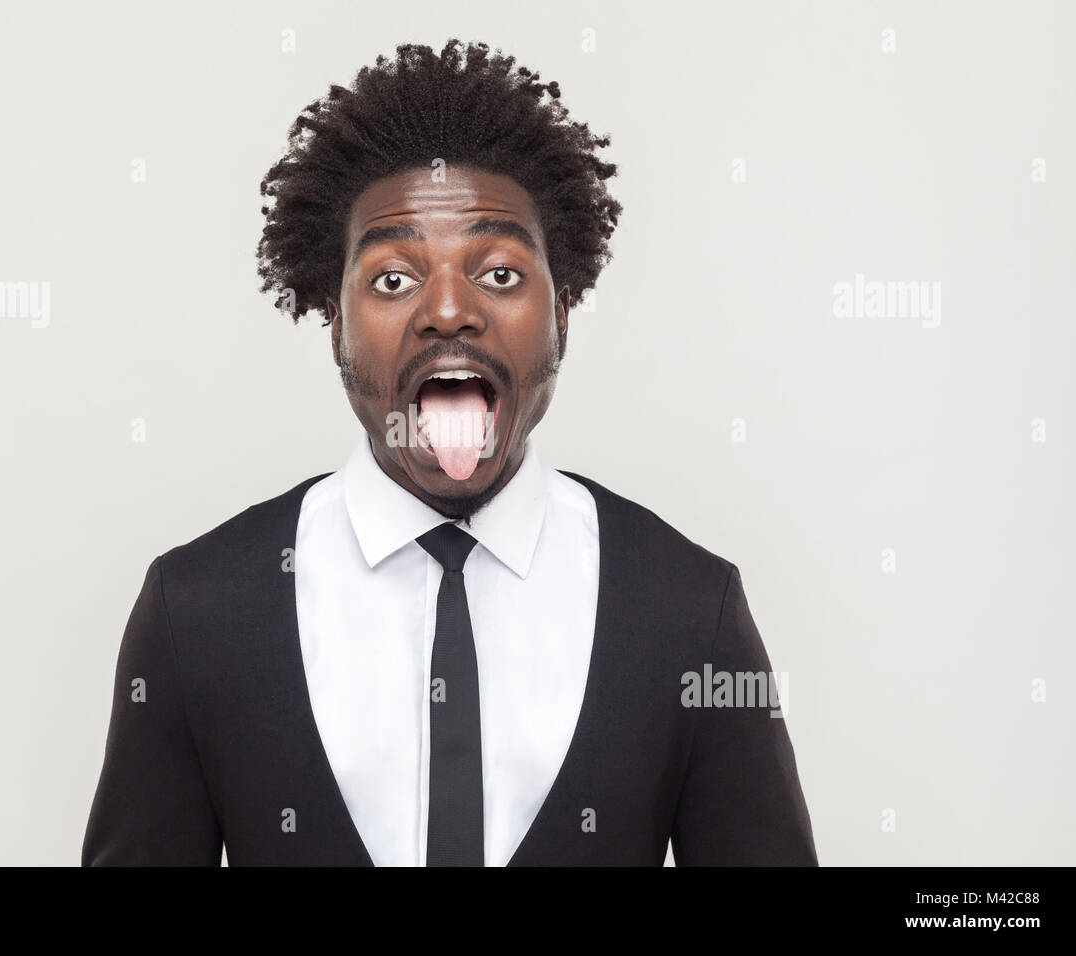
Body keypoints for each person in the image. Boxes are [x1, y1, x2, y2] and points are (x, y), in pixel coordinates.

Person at [81, 38, 818, 866]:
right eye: (393, 279)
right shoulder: (197, 610)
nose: (447, 310)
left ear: (562, 311)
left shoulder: (692, 611)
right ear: (335, 322)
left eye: (498, 273)